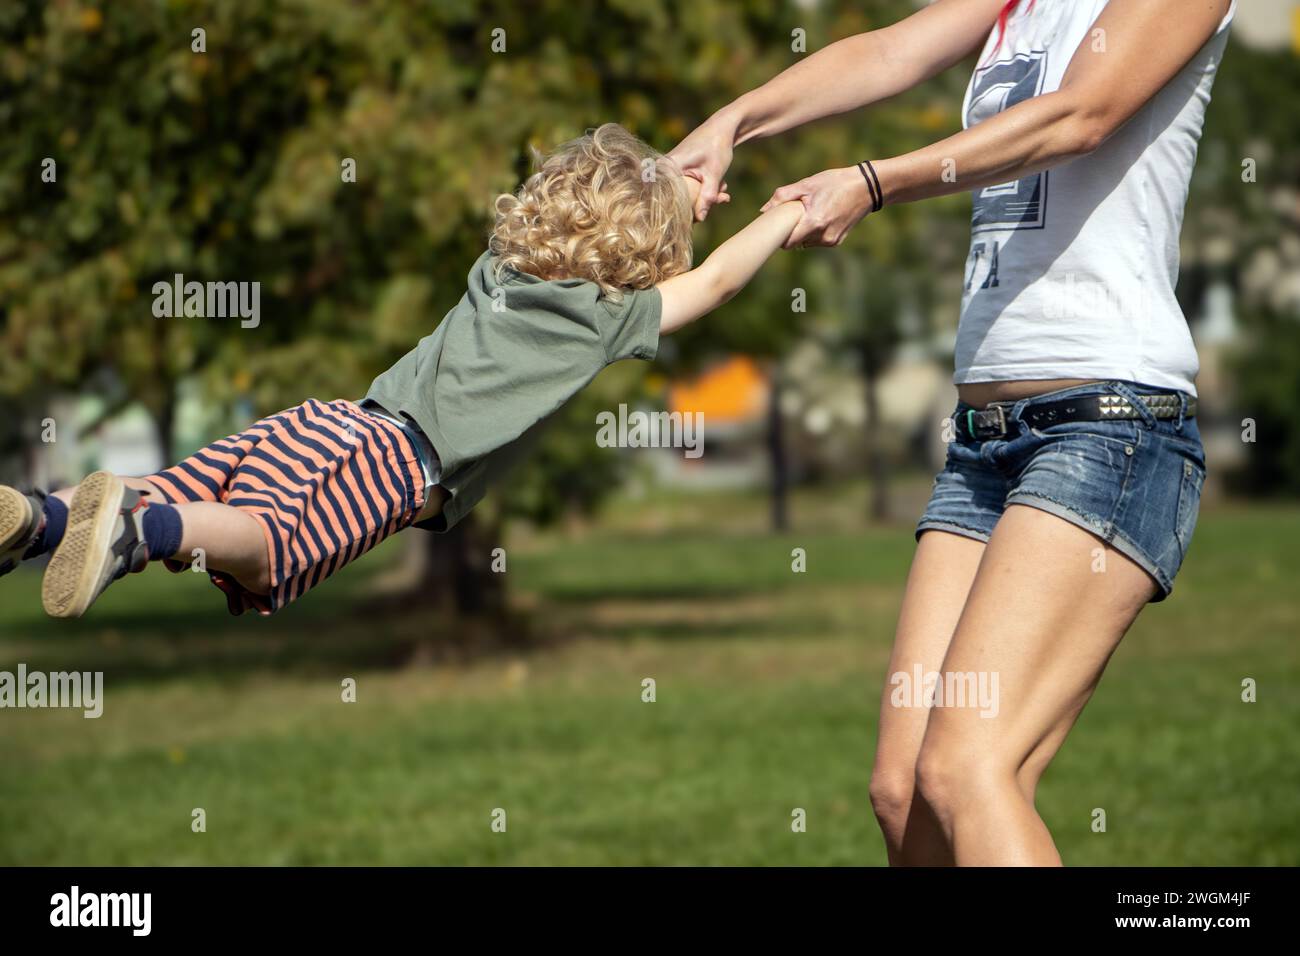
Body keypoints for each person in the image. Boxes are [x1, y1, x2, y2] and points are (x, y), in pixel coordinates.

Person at [670, 0, 1236, 865]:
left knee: (967, 771)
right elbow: (889, 52)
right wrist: (732, 122)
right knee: (904, 793)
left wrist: (874, 181)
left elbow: (1083, 115)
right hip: (983, 444)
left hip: (1107, 428)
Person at [0, 124, 803, 619]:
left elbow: (624, 192)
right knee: (269, 548)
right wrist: (784, 215)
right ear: (647, 257)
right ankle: (142, 535)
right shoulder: (604, 318)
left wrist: (671, 178)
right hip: (391, 465)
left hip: (327, 421)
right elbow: (719, 282)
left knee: (187, 483)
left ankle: (37, 519)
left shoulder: (505, 266)